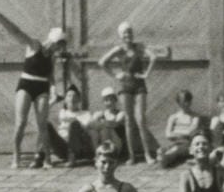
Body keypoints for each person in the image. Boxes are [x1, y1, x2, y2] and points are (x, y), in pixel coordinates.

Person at [98, 22, 162, 164]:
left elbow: (153, 57)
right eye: (125, 33)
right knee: (128, 121)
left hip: (139, 85)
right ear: (121, 35)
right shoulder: (118, 49)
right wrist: (115, 75)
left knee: (141, 119)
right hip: (125, 86)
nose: (128, 35)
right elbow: (102, 62)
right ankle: (131, 156)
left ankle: (147, 155)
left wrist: (146, 74)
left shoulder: (139, 47)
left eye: (130, 32)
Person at [12, 28, 69, 169]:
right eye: (58, 44)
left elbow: (51, 75)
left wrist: (54, 90)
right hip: (26, 85)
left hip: (42, 87)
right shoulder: (35, 45)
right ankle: (16, 156)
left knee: (42, 124)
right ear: (52, 40)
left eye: (61, 46)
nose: (58, 48)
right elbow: (19, 33)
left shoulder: (52, 57)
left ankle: (47, 159)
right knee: (20, 123)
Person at [158, 89, 208, 167]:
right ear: (178, 103)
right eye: (183, 101)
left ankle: (164, 158)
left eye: (188, 101)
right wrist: (183, 133)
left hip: (188, 144)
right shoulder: (173, 117)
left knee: (176, 150)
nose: (186, 104)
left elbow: (191, 132)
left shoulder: (195, 116)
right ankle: (163, 157)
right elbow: (168, 134)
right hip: (174, 142)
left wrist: (175, 133)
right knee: (171, 148)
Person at [47, 84, 95, 166]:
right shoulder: (61, 113)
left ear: (79, 100)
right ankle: (41, 156)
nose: (72, 98)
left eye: (75, 96)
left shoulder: (85, 114)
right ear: (65, 100)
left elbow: (85, 128)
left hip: (78, 148)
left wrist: (72, 121)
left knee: (75, 124)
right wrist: (53, 101)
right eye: (69, 96)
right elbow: (43, 114)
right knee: (45, 125)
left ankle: (72, 157)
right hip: (62, 147)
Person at [89, 88, 129, 155]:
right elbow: (91, 124)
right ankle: (98, 154)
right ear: (103, 102)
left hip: (117, 145)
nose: (109, 103)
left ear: (115, 100)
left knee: (106, 129)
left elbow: (114, 124)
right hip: (104, 144)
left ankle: (104, 154)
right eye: (106, 100)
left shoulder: (121, 113)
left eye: (111, 100)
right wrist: (95, 118)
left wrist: (101, 121)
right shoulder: (101, 114)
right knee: (93, 131)